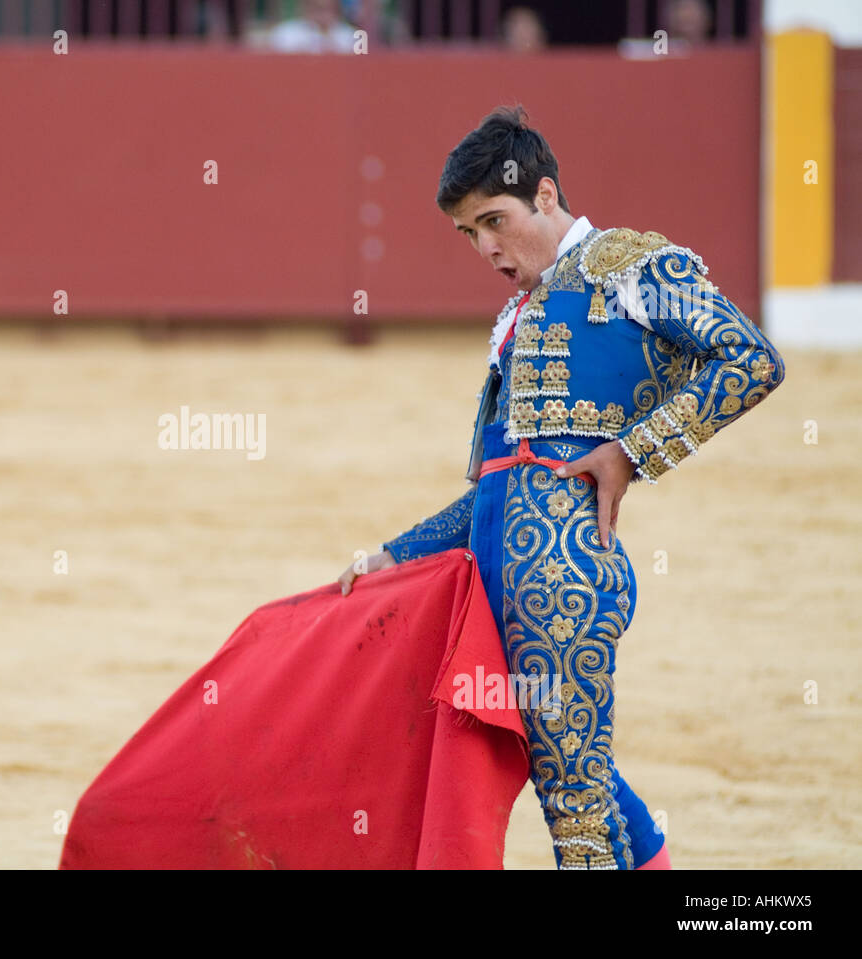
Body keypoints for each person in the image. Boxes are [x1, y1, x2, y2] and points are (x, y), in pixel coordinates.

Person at [337, 106, 785, 870]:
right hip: (496, 584)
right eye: (468, 233)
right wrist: (394, 554)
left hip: (564, 581)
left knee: (572, 801)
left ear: (545, 195)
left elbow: (750, 359)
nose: (485, 248)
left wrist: (632, 452)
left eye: (494, 220)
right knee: (577, 772)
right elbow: (497, 489)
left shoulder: (630, 265)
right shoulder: (515, 319)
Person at [266, 0, 358, 53]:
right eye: (317, 8)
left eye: (327, 8)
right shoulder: (285, 32)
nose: (322, 14)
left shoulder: (349, 35)